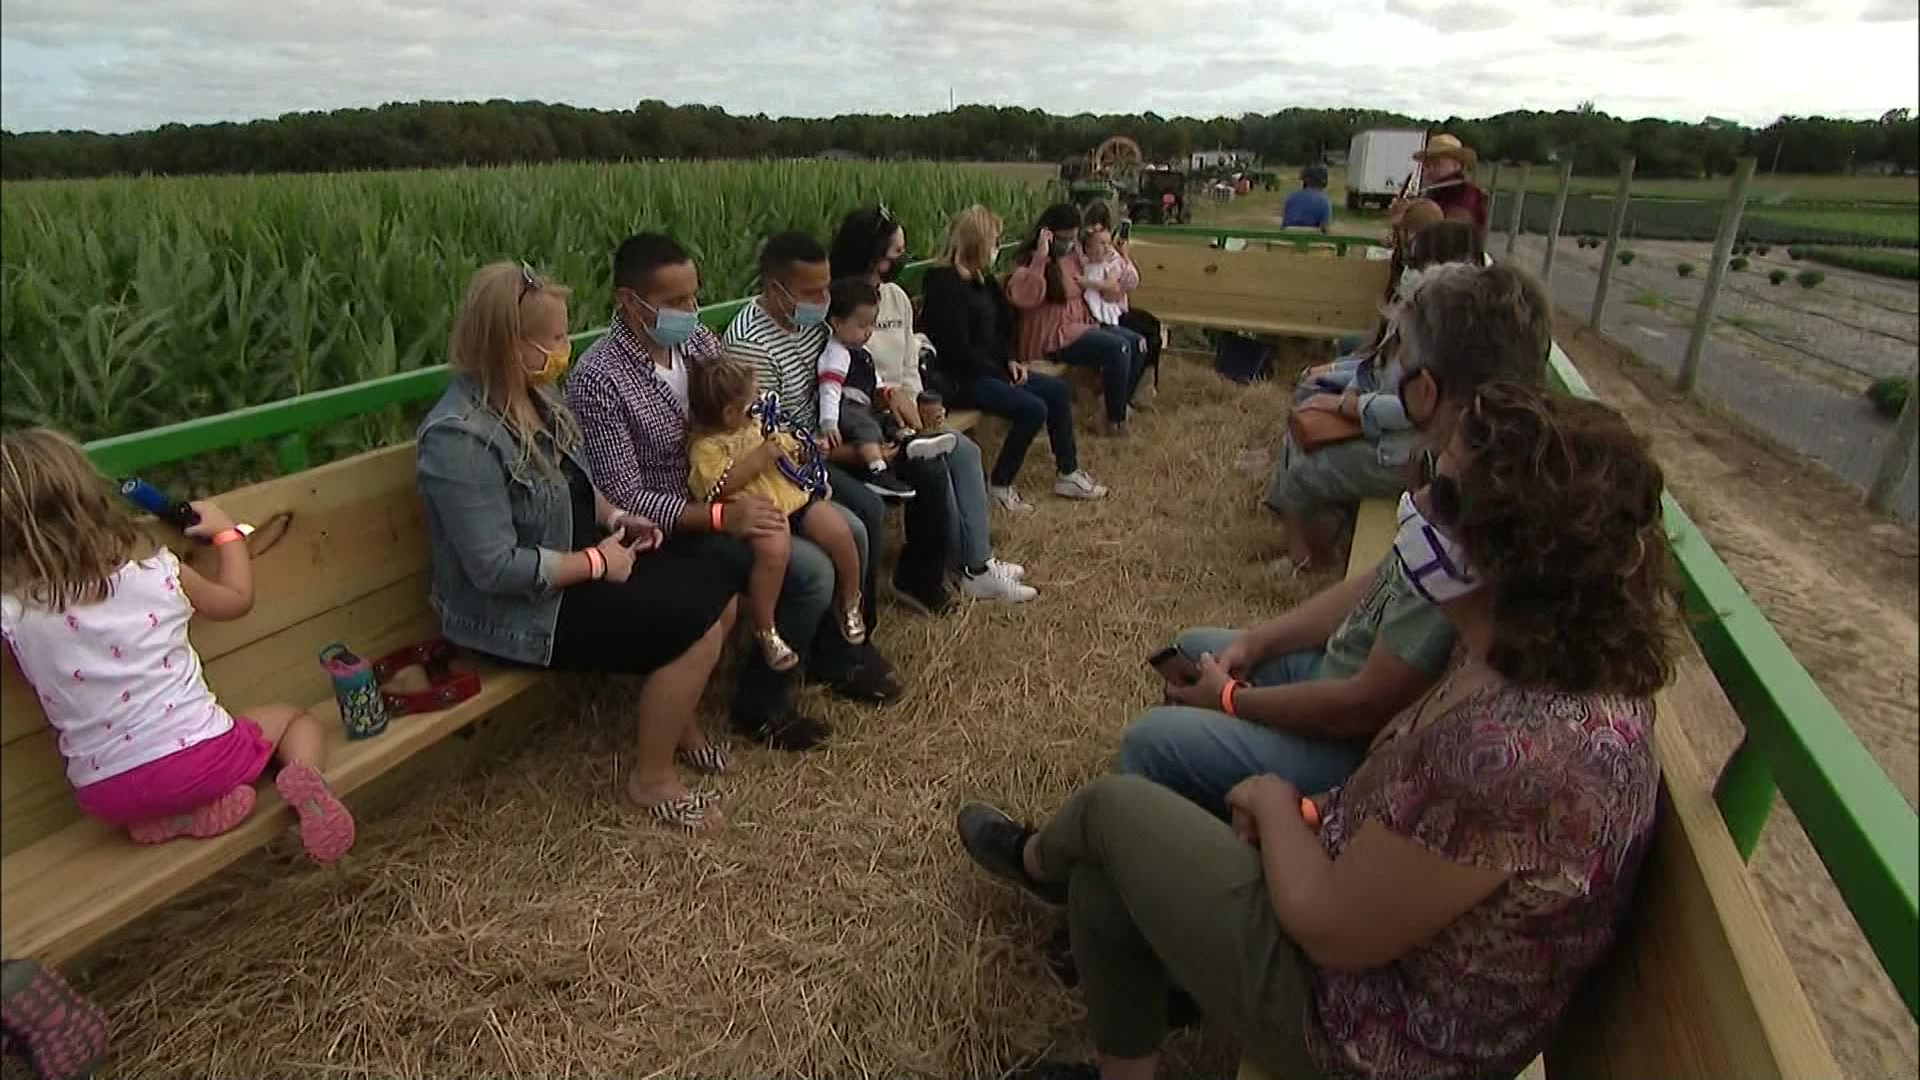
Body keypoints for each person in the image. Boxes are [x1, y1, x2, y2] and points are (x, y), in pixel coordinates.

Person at [958, 382, 1680, 1080]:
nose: (1419, 501)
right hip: (1373, 950)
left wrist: (1275, 805)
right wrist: (1310, 816)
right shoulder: (1533, 661)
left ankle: (1036, 861)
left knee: (1113, 811)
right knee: (1107, 877)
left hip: (1364, 1035)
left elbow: (1330, 926)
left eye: (1445, 492)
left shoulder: (1514, 750)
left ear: (1514, 554)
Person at [1124, 261, 1554, 813]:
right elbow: (1379, 581)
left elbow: (1360, 707)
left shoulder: (1469, 519)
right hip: (1335, 677)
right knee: (1196, 649)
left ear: (1426, 389)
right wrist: (1257, 643)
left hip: (1345, 751)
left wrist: (1231, 699)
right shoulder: (1463, 468)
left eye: (1404, 365)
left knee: (1149, 742)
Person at [417, 262, 741, 830]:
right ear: (512, 346)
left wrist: (617, 517)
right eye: (557, 338)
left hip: (576, 561)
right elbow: (494, 568)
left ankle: (678, 720)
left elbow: (574, 487)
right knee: (692, 618)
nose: (566, 349)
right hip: (518, 610)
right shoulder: (458, 438)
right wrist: (596, 562)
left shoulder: (538, 396)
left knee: (722, 578)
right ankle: (652, 778)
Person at [568, 233, 901, 754]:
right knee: (810, 572)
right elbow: (625, 496)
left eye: (693, 296)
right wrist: (722, 517)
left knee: (852, 525)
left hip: (745, 484)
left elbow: (747, 411)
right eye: (676, 301)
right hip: (678, 521)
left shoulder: (698, 343)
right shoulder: (599, 379)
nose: (691, 311)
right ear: (630, 301)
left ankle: (837, 654)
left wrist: (787, 456)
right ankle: (762, 704)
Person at [0, 428, 356, 863]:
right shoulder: (157, 573)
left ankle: (175, 819)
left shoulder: (12, 615)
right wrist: (227, 534)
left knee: (152, 787)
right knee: (295, 719)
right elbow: (236, 600)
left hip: (105, 792)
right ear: (90, 498)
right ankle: (308, 783)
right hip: (203, 760)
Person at [726, 231, 957, 613]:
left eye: (826, 288)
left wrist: (884, 396)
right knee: (867, 510)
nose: (824, 300)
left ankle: (918, 578)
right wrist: (853, 453)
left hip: (836, 433)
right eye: (812, 292)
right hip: (797, 458)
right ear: (775, 289)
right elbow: (768, 439)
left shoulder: (814, 322)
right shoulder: (750, 346)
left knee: (928, 467)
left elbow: (847, 371)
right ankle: (855, 629)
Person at [828, 205, 1036, 603]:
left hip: (904, 411)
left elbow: (909, 361)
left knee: (964, 450)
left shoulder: (896, 299)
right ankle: (965, 567)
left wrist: (920, 401)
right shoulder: (841, 304)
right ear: (872, 253)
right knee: (941, 459)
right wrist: (891, 401)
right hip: (864, 418)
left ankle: (976, 562)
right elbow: (847, 372)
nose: (901, 260)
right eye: (895, 252)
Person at [1267, 221, 1490, 572]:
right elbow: (1378, 368)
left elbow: (1409, 409)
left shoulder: (1444, 338)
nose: (1407, 267)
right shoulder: (1438, 323)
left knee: (1304, 468)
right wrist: (1346, 391)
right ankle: (1312, 538)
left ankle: (1303, 558)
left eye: (1415, 258)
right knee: (1301, 430)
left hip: (1401, 454)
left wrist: (1350, 405)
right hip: (1389, 440)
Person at [922, 206, 1109, 510]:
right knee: (1032, 409)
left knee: (1056, 391)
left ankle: (1068, 473)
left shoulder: (983, 281)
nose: (997, 247)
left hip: (992, 370)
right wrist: (999, 372)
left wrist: (1009, 360)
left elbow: (1002, 330)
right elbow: (955, 348)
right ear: (977, 242)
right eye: (994, 241)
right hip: (962, 378)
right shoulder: (943, 282)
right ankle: (1000, 484)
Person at [688, 352, 865, 672]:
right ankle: (766, 628)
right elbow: (714, 488)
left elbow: (782, 443)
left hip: (792, 498)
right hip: (759, 510)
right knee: (774, 551)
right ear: (729, 413)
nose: (758, 403)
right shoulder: (706, 448)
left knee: (840, 531)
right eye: (751, 401)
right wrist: (759, 458)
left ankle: (851, 599)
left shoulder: (754, 424)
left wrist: (802, 447)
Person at [1006, 203, 1149, 437]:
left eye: (1073, 238)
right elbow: (1025, 297)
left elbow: (1109, 270)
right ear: (1048, 234)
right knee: (1118, 348)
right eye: (1065, 239)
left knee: (1138, 343)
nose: (1070, 244)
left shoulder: (1074, 257)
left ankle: (1115, 404)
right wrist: (1040, 257)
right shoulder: (1031, 262)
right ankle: (1115, 421)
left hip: (1080, 324)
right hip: (1053, 335)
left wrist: (1117, 252)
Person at [817, 275, 925, 500]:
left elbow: (875, 380)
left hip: (862, 405)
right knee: (866, 427)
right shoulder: (836, 353)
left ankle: (906, 440)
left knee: (884, 420)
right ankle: (876, 469)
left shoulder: (862, 352)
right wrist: (829, 422)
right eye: (862, 326)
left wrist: (886, 392)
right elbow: (830, 389)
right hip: (845, 407)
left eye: (872, 325)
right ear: (836, 322)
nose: (869, 332)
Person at [1079, 202, 1163, 401]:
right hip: (1101, 313)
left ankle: (1138, 387)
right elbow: (1115, 289)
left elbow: (1129, 281)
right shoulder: (1087, 251)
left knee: (1151, 327)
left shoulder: (1108, 249)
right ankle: (1128, 393)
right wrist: (1115, 285)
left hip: (1115, 307)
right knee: (1145, 335)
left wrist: (1124, 255)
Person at [1411, 133, 1489, 234]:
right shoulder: (1432, 192)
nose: (1429, 170)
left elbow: (1451, 231)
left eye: (1436, 164)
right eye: (1426, 165)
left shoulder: (1468, 194)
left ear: (1456, 165)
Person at [1280, 164, 1334, 232]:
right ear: (1324, 183)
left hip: (1289, 235)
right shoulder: (1325, 201)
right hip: (1311, 236)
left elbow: (1284, 225)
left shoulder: (1291, 197)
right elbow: (1325, 228)